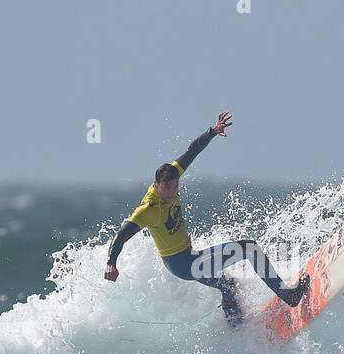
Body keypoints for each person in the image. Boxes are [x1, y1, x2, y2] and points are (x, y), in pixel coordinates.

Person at [104, 112, 309, 325]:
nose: (171, 192)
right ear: (156, 185)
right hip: (183, 264)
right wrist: (111, 263)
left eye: (175, 187)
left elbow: (192, 151)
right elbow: (121, 236)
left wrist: (212, 131)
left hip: (188, 258)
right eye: (166, 188)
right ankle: (289, 296)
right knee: (249, 249)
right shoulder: (148, 209)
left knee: (228, 284)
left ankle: (237, 329)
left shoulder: (172, 175)